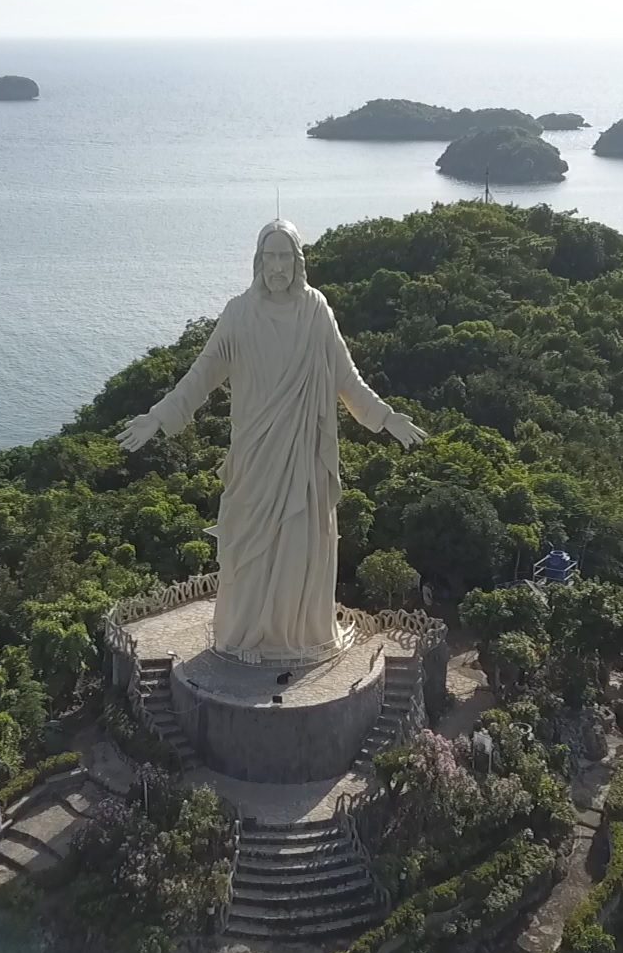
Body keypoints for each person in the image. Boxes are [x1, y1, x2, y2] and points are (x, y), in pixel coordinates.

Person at [117, 220, 425, 662]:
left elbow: (346, 376)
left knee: (301, 546)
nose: (277, 266)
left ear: (298, 261)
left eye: (285, 256)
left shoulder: (316, 311)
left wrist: (386, 417)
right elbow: (201, 375)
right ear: (258, 261)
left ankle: (300, 636)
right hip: (255, 456)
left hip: (303, 457)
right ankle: (245, 636)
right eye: (270, 256)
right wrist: (158, 416)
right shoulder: (239, 314)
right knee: (249, 549)